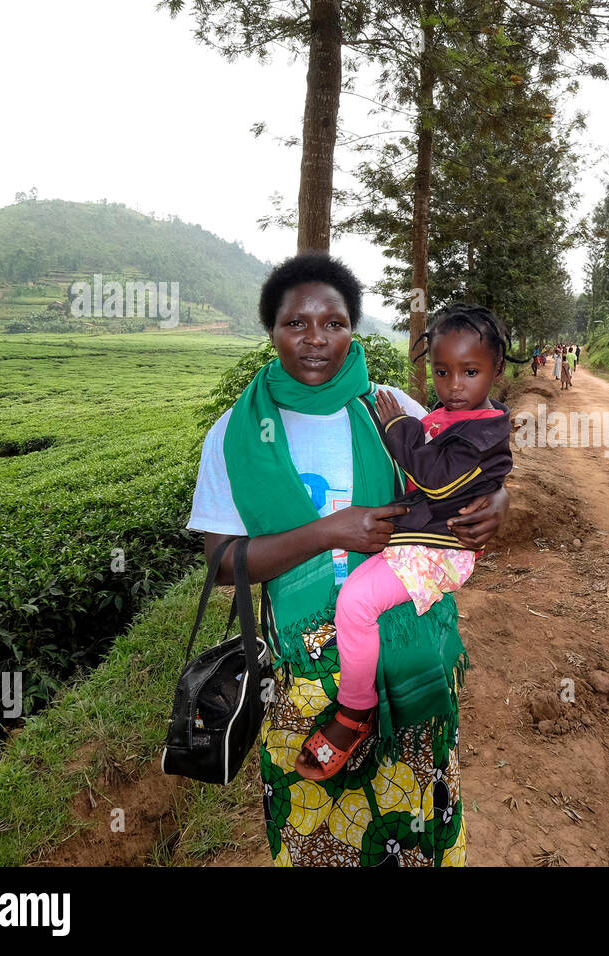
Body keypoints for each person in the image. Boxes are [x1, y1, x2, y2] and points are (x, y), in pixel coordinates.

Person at [187, 253, 509, 866]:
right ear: (271, 329)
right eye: (295, 323)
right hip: (301, 677)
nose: (315, 339)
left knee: (411, 825)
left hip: (405, 656)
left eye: (333, 323)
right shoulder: (235, 433)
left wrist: (500, 502)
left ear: (352, 329)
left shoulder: (390, 408)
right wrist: (327, 532)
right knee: (316, 836)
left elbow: (472, 467)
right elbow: (223, 564)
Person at [295, 304, 513, 781]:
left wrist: (397, 427)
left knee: (355, 602)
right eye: (441, 371)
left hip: (437, 550)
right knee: (358, 601)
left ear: (497, 370)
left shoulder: (478, 429)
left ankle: (355, 711)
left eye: (470, 372)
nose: (453, 386)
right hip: (423, 541)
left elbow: (438, 478)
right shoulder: (454, 415)